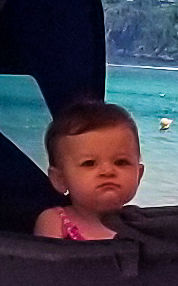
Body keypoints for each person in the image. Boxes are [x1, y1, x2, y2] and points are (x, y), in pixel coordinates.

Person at [33, 100, 144, 242]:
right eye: (89, 163)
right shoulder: (55, 222)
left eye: (121, 162)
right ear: (60, 180)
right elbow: (46, 262)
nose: (108, 171)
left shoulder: (140, 225)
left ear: (139, 175)